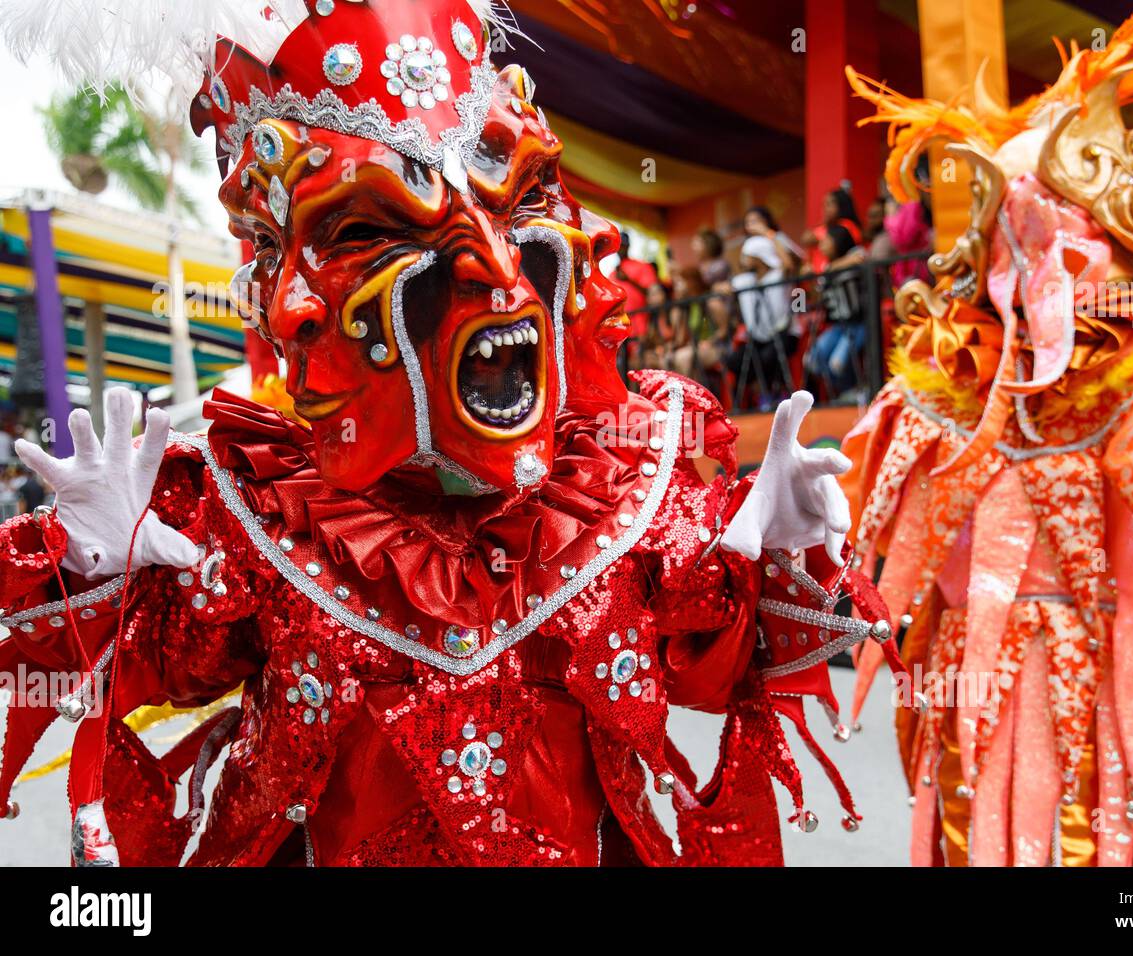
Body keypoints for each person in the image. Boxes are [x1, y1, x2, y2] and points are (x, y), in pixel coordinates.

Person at [0, 0, 889, 869]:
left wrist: (782, 556)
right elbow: (169, 664)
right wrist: (98, 572)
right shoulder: (257, 518)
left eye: (519, 202)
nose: (498, 266)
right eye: (381, 228)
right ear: (296, 298)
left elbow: (713, 668)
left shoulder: (624, 496)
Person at [840, 0, 1133, 867]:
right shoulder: (934, 408)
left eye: (1065, 229)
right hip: (987, 701)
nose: (1039, 264)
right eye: (1013, 236)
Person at [726, 235, 800, 409]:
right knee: (735, 360)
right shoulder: (746, 280)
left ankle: (777, 394)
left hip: (785, 333)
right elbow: (728, 286)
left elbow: (790, 265)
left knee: (768, 356)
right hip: (758, 338)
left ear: (759, 257)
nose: (743, 260)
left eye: (748, 256)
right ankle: (758, 393)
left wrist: (770, 234)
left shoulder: (779, 276)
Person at [805, 224, 868, 397]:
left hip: (859, 323)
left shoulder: (855, 253)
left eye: (826, 241)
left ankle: (855, 391)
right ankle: (844, 392)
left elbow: (860, 258)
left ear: (838, 241)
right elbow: (817, 297)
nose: (822, 246)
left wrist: (826, 270)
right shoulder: (826, 268)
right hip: (838, 326)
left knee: (837, 362)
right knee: (813, 360)